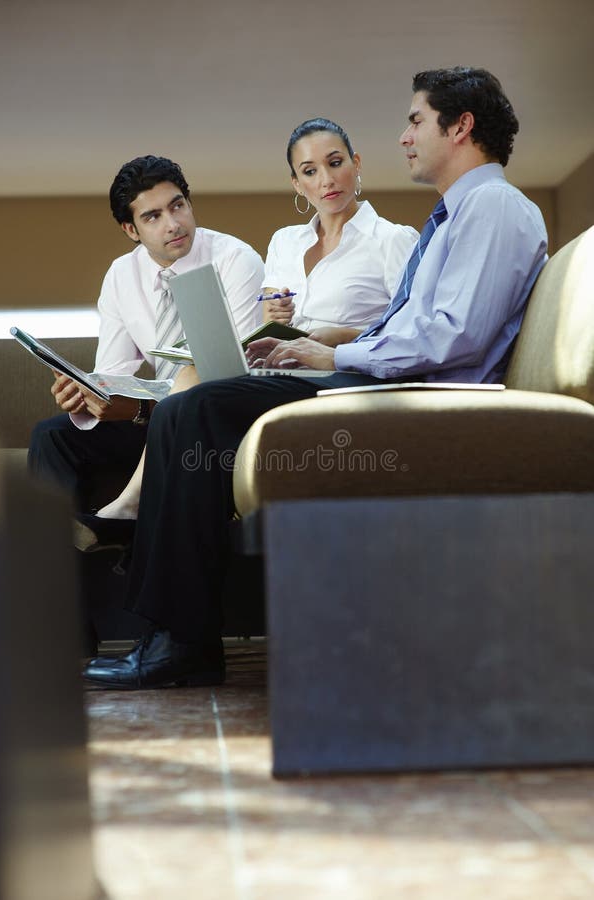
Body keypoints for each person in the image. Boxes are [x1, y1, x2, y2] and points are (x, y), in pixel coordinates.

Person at [83, 67, 548, 690]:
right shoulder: (460, 214)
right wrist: (317, 345)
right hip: (387, 380)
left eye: (415, 120)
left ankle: (180, 639)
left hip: (416, 397)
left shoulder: (490, 207)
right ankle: (176, 634)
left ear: (460, 127)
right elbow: (426, 326)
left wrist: (338, 356)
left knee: (191, 411)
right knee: (188, 412)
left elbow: (452, 337)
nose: (405, 136)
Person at [83, 118, 418, 527]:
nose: (327, 179)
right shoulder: (284, 242)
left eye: (335, 163)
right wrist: (272, 320)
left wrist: (336, 340)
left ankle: (133, 504)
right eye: (310, 171)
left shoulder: (394, 240)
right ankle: (128, 519)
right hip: (278, 370)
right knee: (190, 374)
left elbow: (406, 335)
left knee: (193, 392)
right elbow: (264, 325)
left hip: (335, 375)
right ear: (297, 184)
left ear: (356, 163)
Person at [27, 155, 264, 517]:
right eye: (153, 217)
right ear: (130, 230)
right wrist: (89, 393)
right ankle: (53, 562)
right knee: (52, 435)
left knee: (190, 408)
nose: (173, 224)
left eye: (178, 206)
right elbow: (114, 372)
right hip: (155, 417)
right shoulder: (122, 275)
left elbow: (238, 375)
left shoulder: (235, 259)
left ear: (189, 203)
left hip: (216, 416)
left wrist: (141, 408)